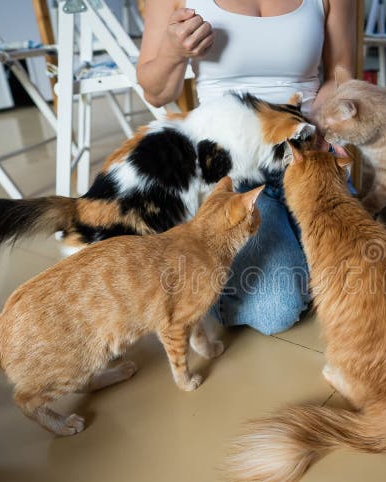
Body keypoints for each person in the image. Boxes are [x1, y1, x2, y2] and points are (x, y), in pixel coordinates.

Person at [137, 0, 355, 335]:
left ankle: (287, 258)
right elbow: (156, 91)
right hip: (233, 168)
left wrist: (316, 126)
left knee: (364, 283)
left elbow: (341, 71)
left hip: (308, 150)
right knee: (277, 310)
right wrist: (173, 50)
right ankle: (207, 287)